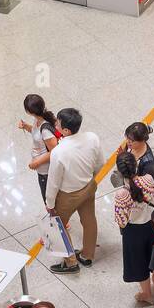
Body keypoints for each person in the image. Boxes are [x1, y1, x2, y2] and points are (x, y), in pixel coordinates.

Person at [45, 108, 104, 274]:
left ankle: (70, 263)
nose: (55, 123)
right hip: (88, 186)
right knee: (89, 220)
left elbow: (53, 182)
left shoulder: (59, 152)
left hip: (68, 195)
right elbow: (100, 164)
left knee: (59, 226)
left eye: (57, 122)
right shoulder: (92, 138)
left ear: (65, 130)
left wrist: (50, 203)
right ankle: (87, 255)